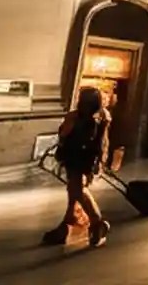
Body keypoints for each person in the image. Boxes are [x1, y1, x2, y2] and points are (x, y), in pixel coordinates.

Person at [42, 86, 111, 247]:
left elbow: (64, 135)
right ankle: (67, 224)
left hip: (75, 157)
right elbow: (102, 142)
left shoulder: (77, 117)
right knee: (74, 192)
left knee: (78, 190)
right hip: (85, 157)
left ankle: (97, 223)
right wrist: (100, 160)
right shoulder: (102, 117)